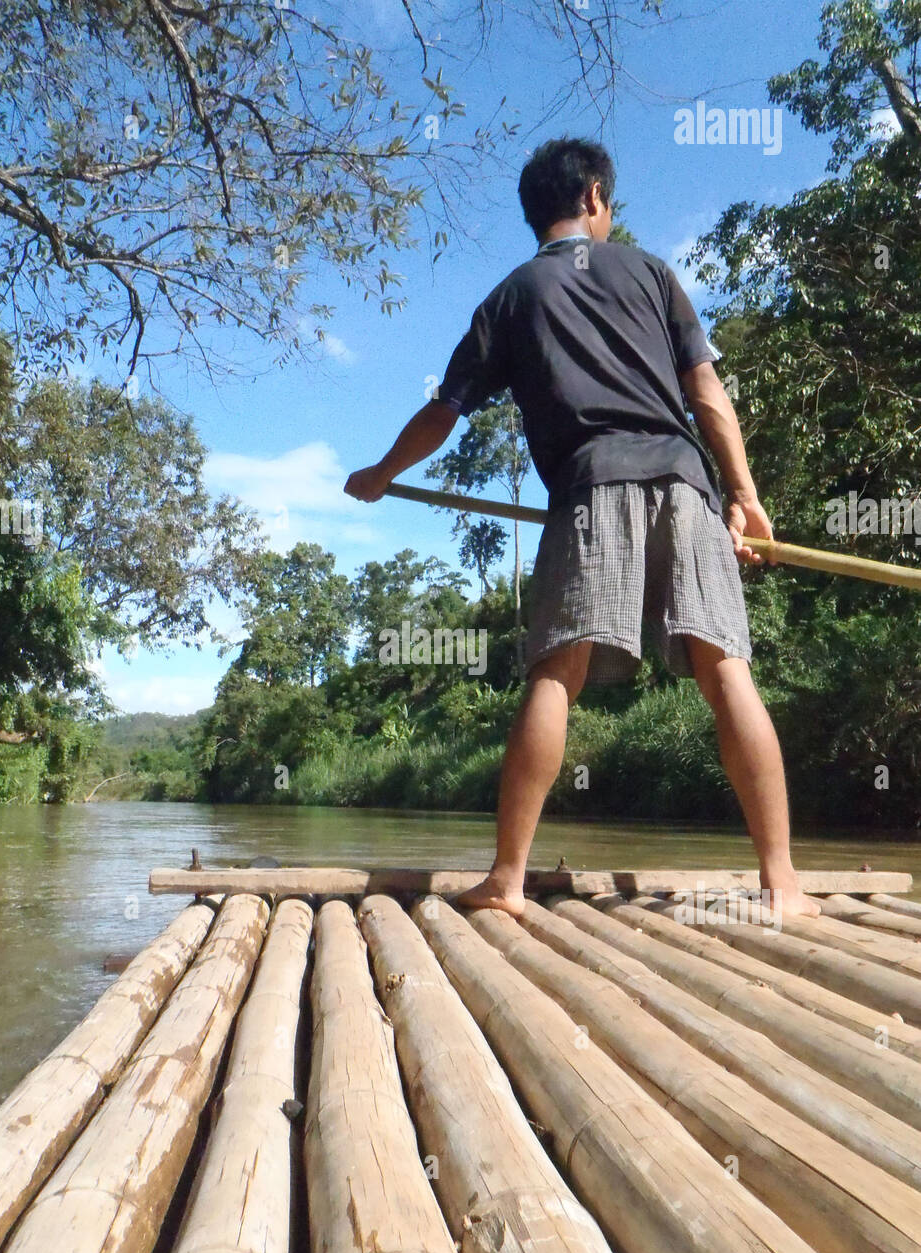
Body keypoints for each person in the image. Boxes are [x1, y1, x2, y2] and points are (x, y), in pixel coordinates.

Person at [344, 137, 821, 920]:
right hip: (686, 483)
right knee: (725, 668)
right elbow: (706, 394)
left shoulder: (510, 297)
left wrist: (381, 474)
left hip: (591, 484)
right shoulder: (651, 273)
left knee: (554, 676)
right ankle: (783, 885)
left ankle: (505, 881)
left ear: (540, 212)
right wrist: (743, 495)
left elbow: (444, 413)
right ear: (595, 198)